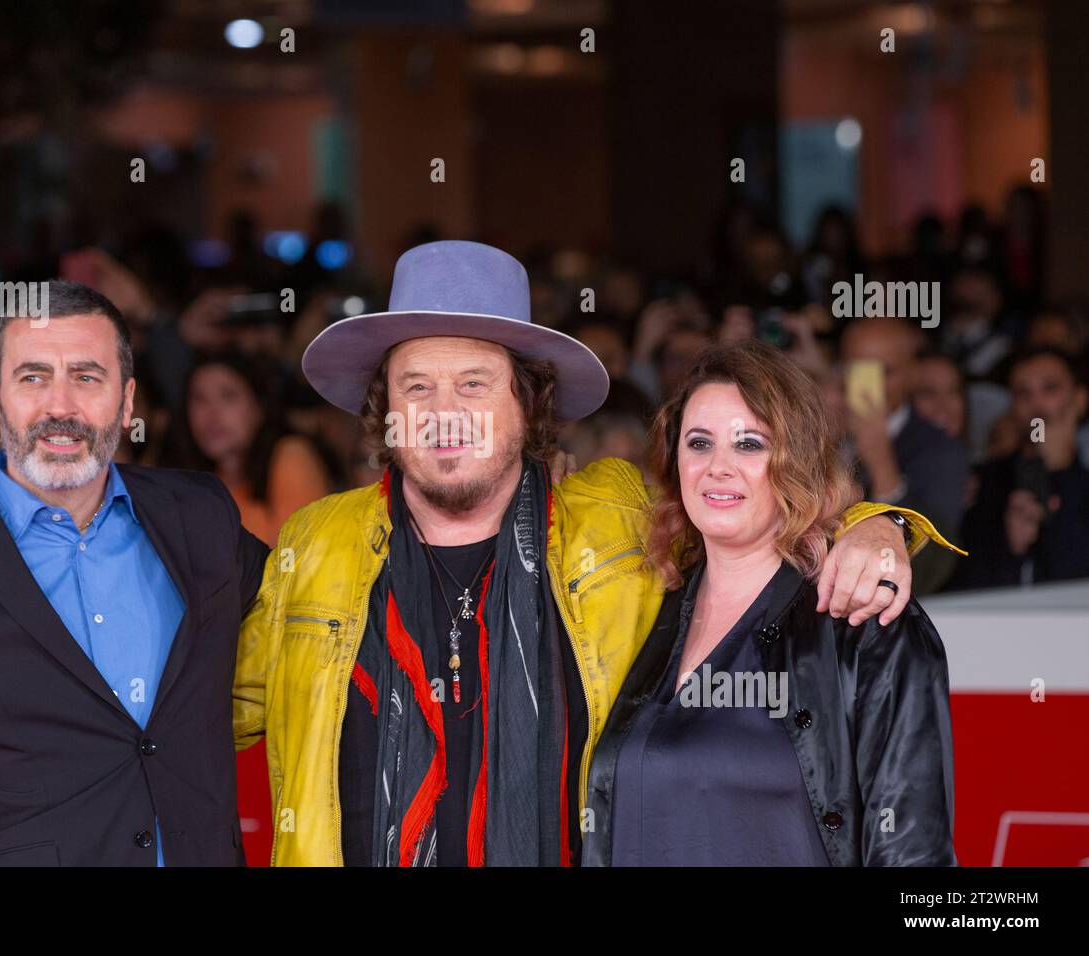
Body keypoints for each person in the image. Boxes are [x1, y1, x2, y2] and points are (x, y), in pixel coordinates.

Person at [233, 240, 954, 866]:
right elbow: (205, 707)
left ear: (529, 402)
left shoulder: (613, 524)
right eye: (416, 386)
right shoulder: (314, 542)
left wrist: (875, 523)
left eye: (474, 385)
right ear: (382, 409)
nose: (444, 413)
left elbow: (748, 501)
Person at [0, 281, 268, 866]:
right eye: (33, 376)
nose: (60, 407)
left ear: (128, 399)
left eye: (87, 377)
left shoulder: (200, 518)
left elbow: (318, 598)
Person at [585, 341, 958, 866]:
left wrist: (885, 523)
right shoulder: (646, 602)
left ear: (795, 461)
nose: (717, 467)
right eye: (698, 442)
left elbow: (912, 854)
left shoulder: (866, 620)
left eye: (748, 444)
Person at [841, 316, 971, 592]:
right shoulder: (819, 435)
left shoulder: (940, 451)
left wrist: (882, 466)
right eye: (857, 370)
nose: (867, 385)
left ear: (912, 374)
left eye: (883, 372)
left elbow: (932, 567)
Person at [949, 348, 1089, 590]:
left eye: (1050, 388)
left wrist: (1061, 472)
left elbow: (1077, 576)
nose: (1036, 405)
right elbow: (967, 584)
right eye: (1023, 393)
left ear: (1079, 399)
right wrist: (1012, 548)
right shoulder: (985, 481)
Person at [172, 350, 331, 547]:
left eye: (228, 396)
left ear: (259, 406)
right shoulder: (191, 484)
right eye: (199, 399)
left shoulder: (291, 453)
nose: (211, 413)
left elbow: (296, 557)